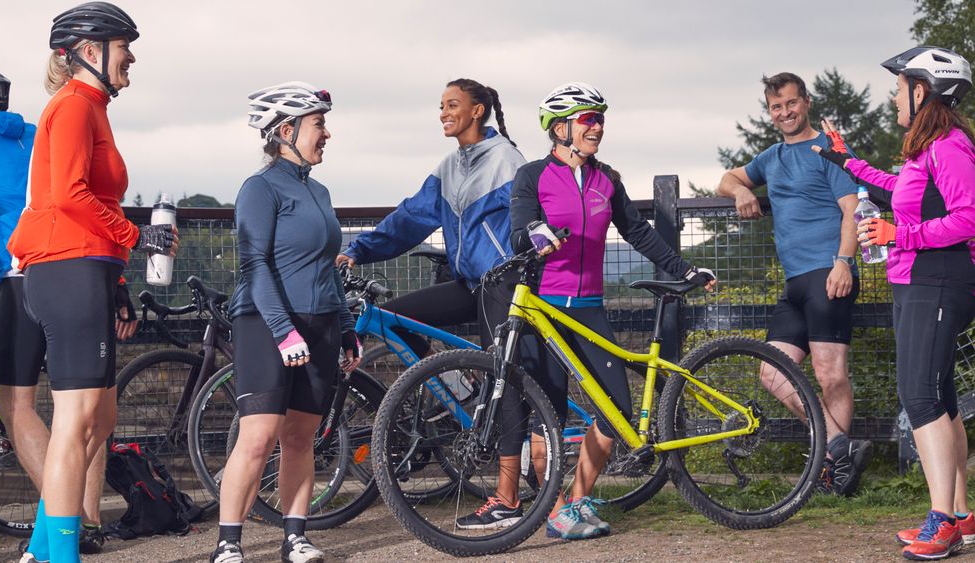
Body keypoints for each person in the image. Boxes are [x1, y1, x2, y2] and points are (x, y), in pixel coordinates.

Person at [502, 82, 715, 540]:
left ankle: (575, 503)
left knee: (615, 407)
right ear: (560, 128)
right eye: (587, 118)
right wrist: (536, 234)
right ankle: (554, 509)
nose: (597, 126)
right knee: (548, 414)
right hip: (546, 309)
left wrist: (684, 267)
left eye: (600, 118)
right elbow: (519, 231)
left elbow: (638, 232)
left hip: (590, 308)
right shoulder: (532, 177)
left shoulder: (606, 180)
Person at [6, 4, 176, 563]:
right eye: (123, 44)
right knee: (75, 419)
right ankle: (62, 556)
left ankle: (40, 547)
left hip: (88, 268)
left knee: (97, 419)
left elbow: (92, 201)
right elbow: (68, 196)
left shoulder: (93, 107)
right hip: (66, 266)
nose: (132, 55)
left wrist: (118, 280)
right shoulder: (75, 105)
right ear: (87, 51)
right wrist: (136, 236)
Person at [815, 46, 975, 561]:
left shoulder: (949, 146)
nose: (893, 97)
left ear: (921, 90)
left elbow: (969, 217)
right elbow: (896, 189)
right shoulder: (925, 148)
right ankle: (962, 515)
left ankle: (941, 522)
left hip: (940, 281)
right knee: (941, 397)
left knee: (919, 397)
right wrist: (846, 159)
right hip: (920, 282)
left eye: (899, 86)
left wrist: (896, 235)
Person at [0, 61, 137, 558]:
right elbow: (91, 199)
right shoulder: (35, 128)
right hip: (89, 270)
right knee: (89, 415)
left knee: (19, 404)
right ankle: (78, 521)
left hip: (27, 273)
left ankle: (58, 527)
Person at [211, 82, 361, 563]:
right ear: (285, 130)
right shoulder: (259, 189)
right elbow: (255, 267)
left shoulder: (318, 190)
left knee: (300, 438)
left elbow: (327, 266)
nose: (327, 134)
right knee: (257, 437)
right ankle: (228, 544)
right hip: (265, 321)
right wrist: (283, 331)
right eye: (319, 125)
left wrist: (347, 327)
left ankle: (296, 536)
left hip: (320, 325)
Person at [716, 72, 872, 496]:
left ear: (806, 101)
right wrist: (741, 193)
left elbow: (851, 211)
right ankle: (841, 447)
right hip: (794, 282)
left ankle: (833, 472)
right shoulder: (769, 158)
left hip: (829, 272)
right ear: (770, 112)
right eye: (776, 107)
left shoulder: (830, 151)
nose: (785, 112)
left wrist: (844, 262)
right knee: (772, 373)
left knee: (830, 374)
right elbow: (727, 179)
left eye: (791, 103)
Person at [336, 78, 525, 359]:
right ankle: (458, 389)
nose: (443, 114)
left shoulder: (506, 161)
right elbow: (412, 217)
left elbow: (530, 223)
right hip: (469, 285)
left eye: (452, 105)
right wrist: (357, 250)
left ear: (476, 111)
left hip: (502, 285)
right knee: (389, 320)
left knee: (500, 375)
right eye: (441, 107)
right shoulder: (450, 165)